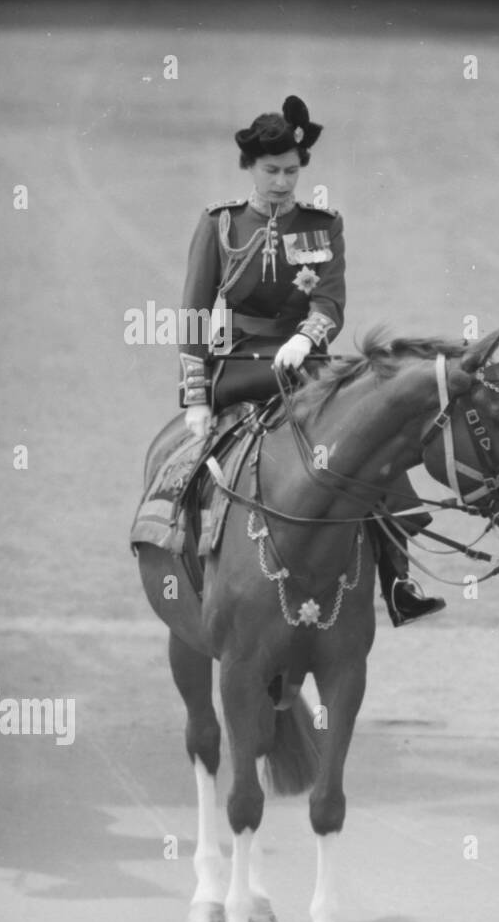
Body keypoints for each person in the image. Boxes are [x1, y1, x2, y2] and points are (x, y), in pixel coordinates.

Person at [176, 94, 444, 625]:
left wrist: (308, 335)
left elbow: (330, 299)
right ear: (249, 167)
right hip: (243, 366)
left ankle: (398, 580)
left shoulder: (323, 225)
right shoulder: (220, 226)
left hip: (311, 369)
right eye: (271, 170)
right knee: (197, 472)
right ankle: (191, 566)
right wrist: (196, 395)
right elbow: (193, 313)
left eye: (291, 171)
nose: (281, 182)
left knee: (370, 448)